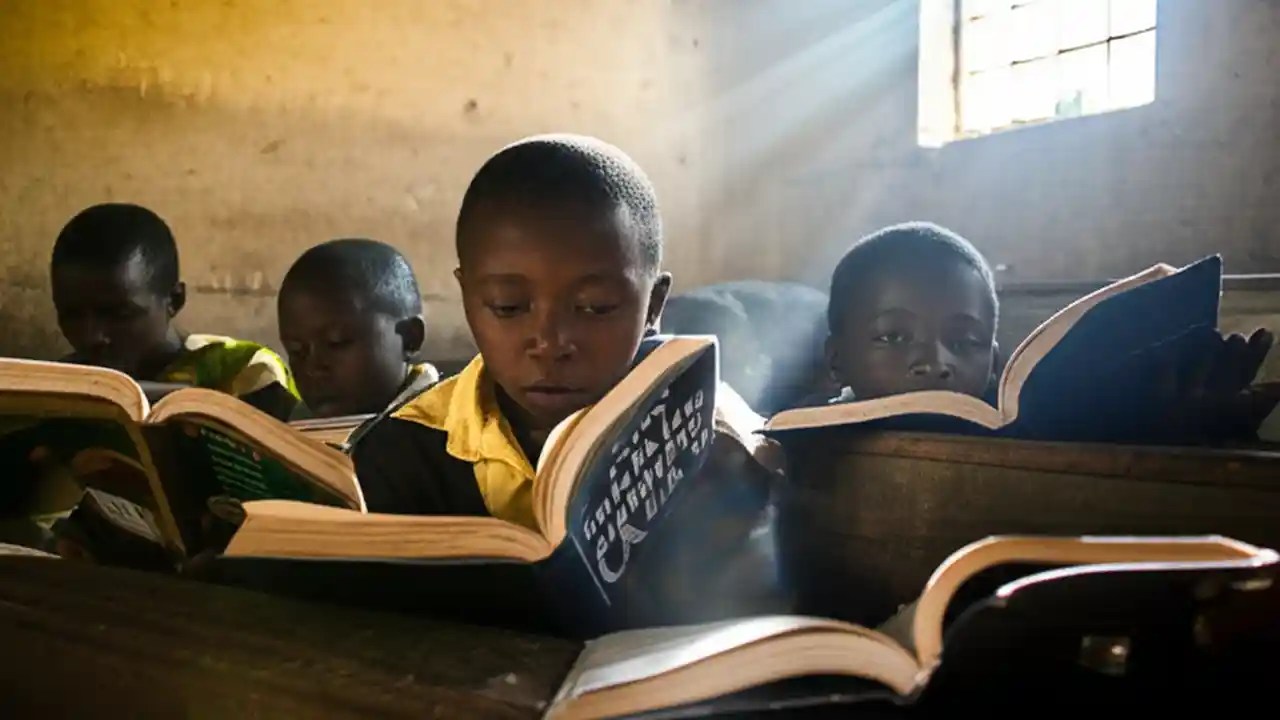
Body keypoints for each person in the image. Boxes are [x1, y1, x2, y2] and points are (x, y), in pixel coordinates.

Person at [352, 134, 780, 623]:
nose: (550, 342)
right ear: (468, 296)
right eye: (508, 307)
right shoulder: (401, 452)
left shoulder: (708, 432)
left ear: (653, 307)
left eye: (595, 307)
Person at [50, 202, 297, 419]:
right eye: (71, 315)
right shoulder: (53, 385)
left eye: (119, 315)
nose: (92, 336)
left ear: (174, 300)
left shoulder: (246, 370)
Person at [822, 222, 998, 404]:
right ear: (837, 360)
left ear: (994, 365)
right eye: (894, 337)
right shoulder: (810, 430)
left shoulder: (1012, 431)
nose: (935, 364)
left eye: (964, 342)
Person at [277, 238, 437, 430]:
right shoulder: (293, 430)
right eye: (297, 351)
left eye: (336, 343)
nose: (313, 367)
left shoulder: (451, 432)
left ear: (410, 338)